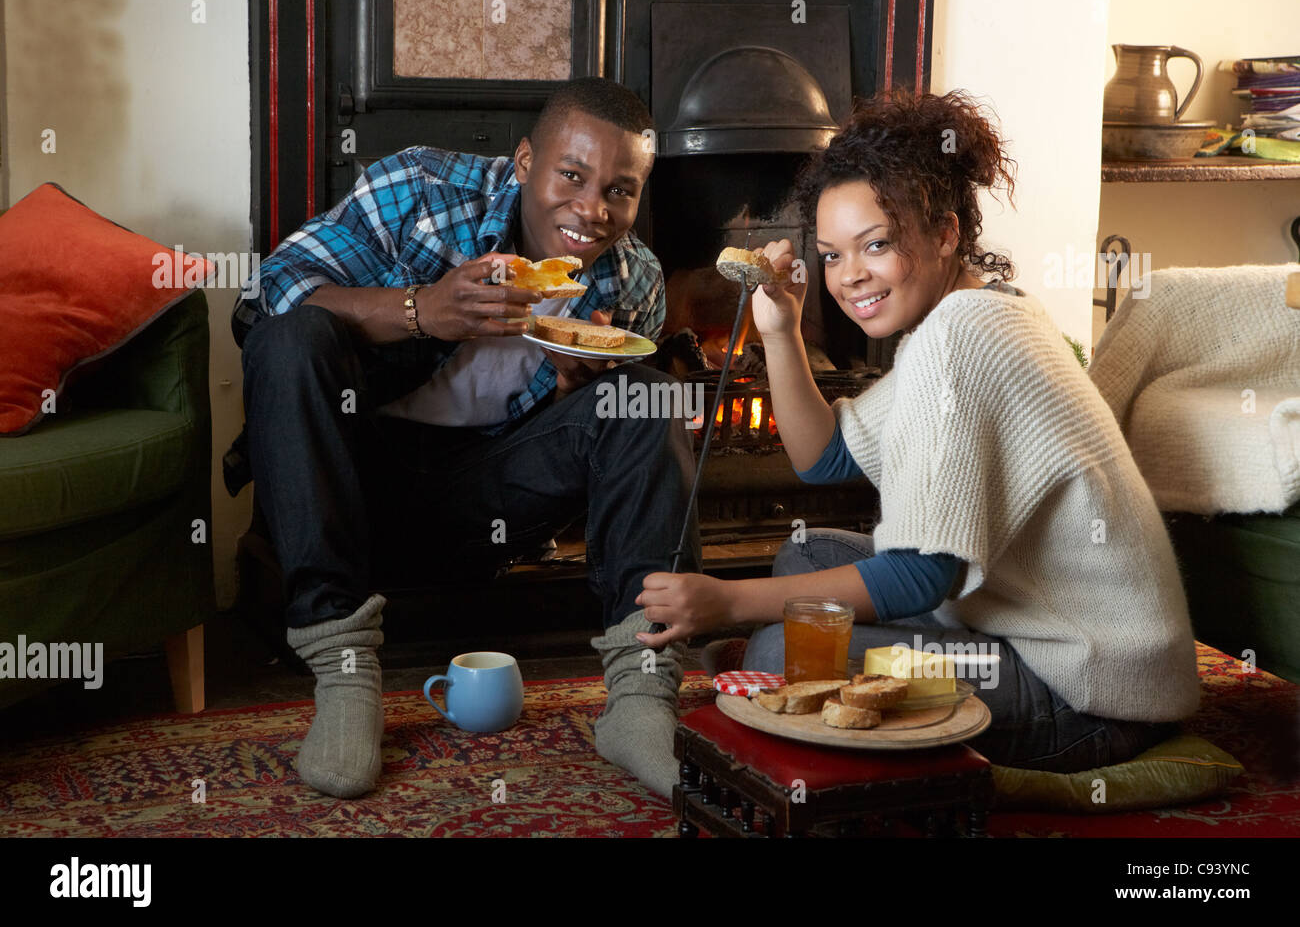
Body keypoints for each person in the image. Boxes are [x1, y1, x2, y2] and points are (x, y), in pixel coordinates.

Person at [636, 89, 1200, 772]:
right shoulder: (978, 310)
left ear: (944, 233)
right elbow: (826, 457)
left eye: (876, 245)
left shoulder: (958, 338)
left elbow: (921, 574)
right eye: (834, 255)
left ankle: (777, 654)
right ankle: (797, 648)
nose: (850, 278)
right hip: (1018, 624)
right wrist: (781, 330)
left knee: (778, 651)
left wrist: (727, 601)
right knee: (804, 558)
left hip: (1085, 692)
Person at [228, 77, 699, 800]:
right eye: (571, 175)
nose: (592, 211)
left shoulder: (632, 279)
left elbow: (608, 450)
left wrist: (583, 385)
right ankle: (346, 675)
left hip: (484, 507)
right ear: (522, 162)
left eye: (620, 191)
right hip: (346, 489)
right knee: (293, 339)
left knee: (646, 395)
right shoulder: (420, 190)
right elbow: (264, 298)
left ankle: (640, 700)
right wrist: (425, 310)